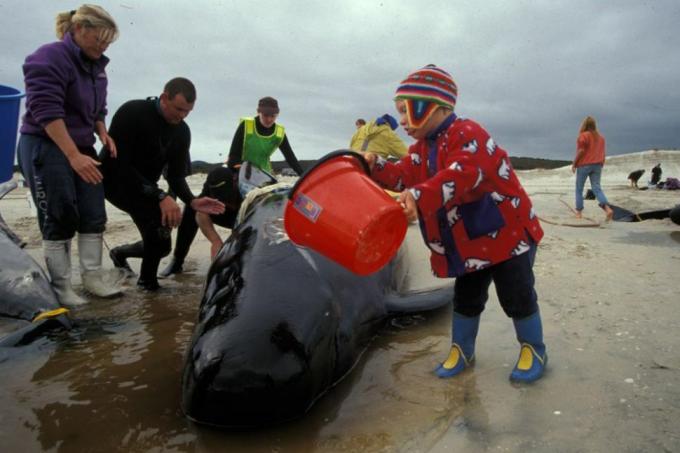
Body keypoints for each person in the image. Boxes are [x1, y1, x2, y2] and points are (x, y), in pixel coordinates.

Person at [363, 64, 547, 383]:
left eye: (406, 111)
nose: (402, 121)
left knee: (517, 294)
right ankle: (461, 349)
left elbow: (462, 174)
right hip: (470, 244)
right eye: (399, 113)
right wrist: (375, 165)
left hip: (507, 236)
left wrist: (419, 196)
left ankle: (534, 348)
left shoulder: (469, 133)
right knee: (467, 296)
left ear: (435, 107)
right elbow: (404, 173)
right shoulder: (422, 148)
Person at [17, 4, 122, 306]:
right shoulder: (48, 58)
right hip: (45, 142)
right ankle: (61, 285)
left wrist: (102, 131)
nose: (102, 47)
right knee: (58, 214)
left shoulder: (97, 69)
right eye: (98, 39)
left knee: (93, 213)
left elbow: (98, 109)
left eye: (107, 42)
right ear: (78, 29)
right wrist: (73, 156)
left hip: (81, 144)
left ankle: (92, 277)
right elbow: (46, 111)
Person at [100, 78, 225, 290]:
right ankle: (148, 284)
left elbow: (175, 176)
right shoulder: (133, 111)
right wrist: (160, 196)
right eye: (179, 109)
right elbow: (118, 163)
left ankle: (120, 254)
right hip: (113, 180)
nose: (182, 115)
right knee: (156, 227)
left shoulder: (182, 131)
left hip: (145, 186)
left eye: (188, 111)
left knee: (162, 244)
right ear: (164, 97)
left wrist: (192, 201)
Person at [160, 96, 303, 275]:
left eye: (273, 116)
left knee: (264, 214)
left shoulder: (280, 132)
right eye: (265, 115)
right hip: (238, 172)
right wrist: (241, 170)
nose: (269, 119)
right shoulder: (247, 126)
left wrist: (305, 177)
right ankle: (177, 261)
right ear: (258, 112)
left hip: (263, 179)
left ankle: (256, 263)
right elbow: (233, 155)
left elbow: (291, 158)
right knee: (192, 208)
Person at [572, 116, 614, 221]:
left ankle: (579, 212)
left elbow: (581, 151)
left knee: (579, 189)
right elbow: (603, 153)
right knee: (596, 188)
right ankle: (607, 209)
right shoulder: (601, 138)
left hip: (584, 165)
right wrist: (601, 163)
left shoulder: (583, 136)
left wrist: (574, 163)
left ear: (584, 125)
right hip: (597, 164)